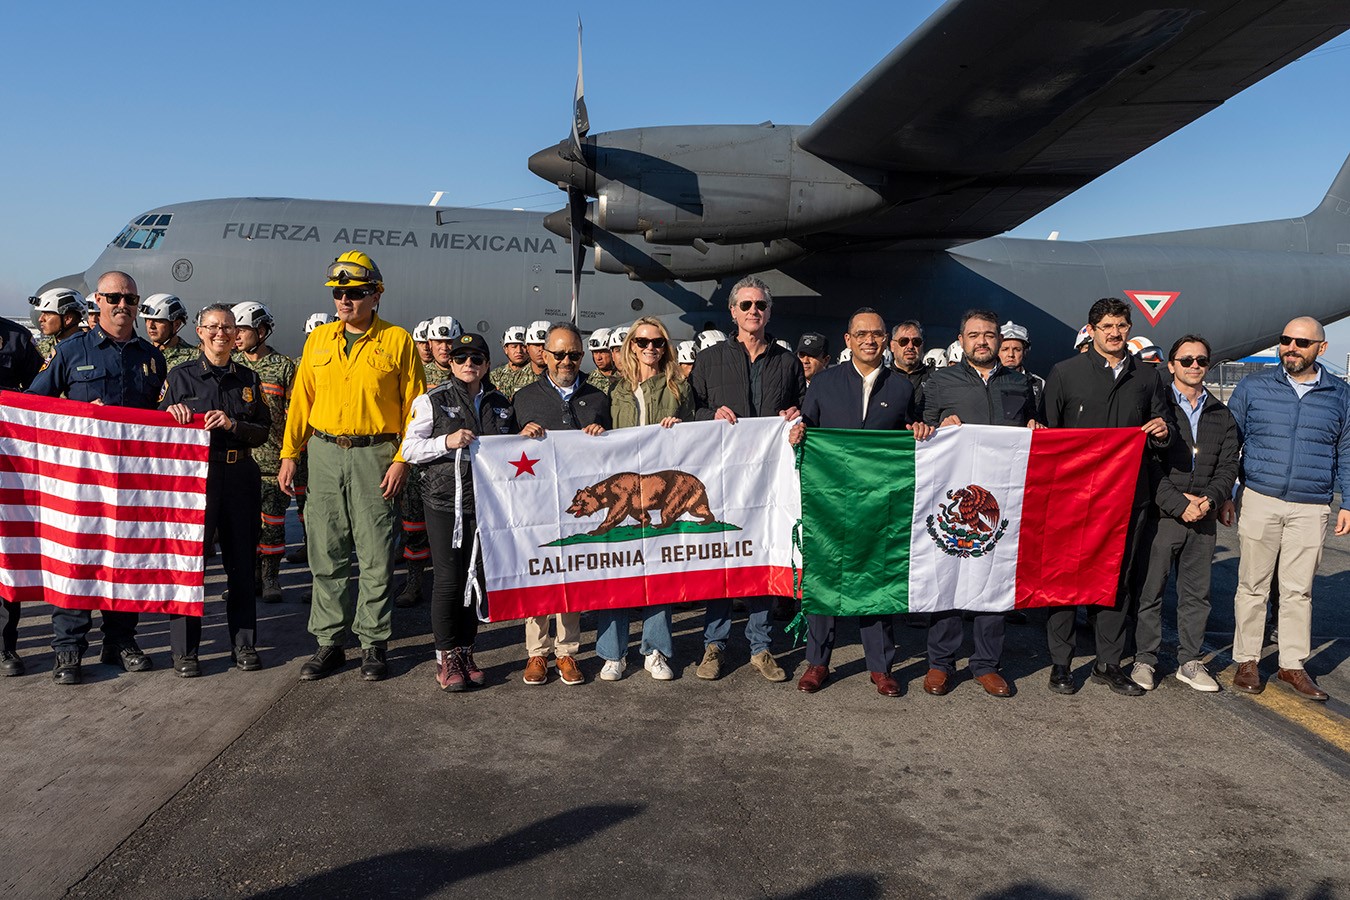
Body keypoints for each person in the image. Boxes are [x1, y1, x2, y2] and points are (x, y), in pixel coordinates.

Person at [278, 250, 425, 683]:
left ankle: (373, 643)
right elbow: (300, 401)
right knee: (326, 549)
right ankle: (329, 642)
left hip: (375, 454)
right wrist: (290, 453)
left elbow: (416, 408)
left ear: (376, 295)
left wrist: (402, 460)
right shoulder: (318, 340)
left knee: (377, 551)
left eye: (356, 293)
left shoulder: (396, 340)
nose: (345, 301)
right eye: (339, 293)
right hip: (323, 453)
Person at [28, 271, 166, 684]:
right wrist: (82, 415)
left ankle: (120, 641)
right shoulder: (71, 351)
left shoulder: (151, 357)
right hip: (82, 481)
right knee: (77, 560)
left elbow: (160, 419)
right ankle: (68, 649)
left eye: (130, 299)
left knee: (124, 561)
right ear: (97, 303)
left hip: (131, 482)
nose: (122, 305)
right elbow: (35, 405)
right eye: (113, 298)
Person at [791, 308, 933, 697]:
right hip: (829, 501)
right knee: (823, 580)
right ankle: (817, 662)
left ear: (885, 340)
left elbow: (911, 433)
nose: (870, 340)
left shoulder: (902, 388)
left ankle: (881, 667)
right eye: (862, 334)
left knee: (877, 579)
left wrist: (918, 430)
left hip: (880, 505)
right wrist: (797, 432)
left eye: (877, 334)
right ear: (848, 340)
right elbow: (806, 427)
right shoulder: (823, 383)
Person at [1041, 297, 1172, 697]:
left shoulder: (1148, 378)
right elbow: (1049, 433)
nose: (1115, 334)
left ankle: (1108, 663)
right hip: (1073, 498)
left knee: (1117, 578)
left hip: (1129, 497)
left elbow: (1162, 430)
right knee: (1064, 577)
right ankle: (1061, 664)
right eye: (1107, 327)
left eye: (1121, 326)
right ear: (1092, 330)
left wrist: (1163, 434)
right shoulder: (1064, 373)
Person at [1228, 316, 1350, 701]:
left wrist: (1349, 501)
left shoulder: (1340, 394)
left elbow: (1346, 451)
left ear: (1321, 349)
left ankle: (1292, 665)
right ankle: (1247, 659)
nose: (1291, 348)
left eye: (1301, 342)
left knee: (1299, 590)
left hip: (1311, 505)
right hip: (1260, 498)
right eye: (1285, 340)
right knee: (1252, 585)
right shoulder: (1253, 386)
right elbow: (1230, 442)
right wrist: (1226, 493)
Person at [689, 274, 804, 683]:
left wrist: (795, 417)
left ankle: (760, 646)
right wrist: (710, 415)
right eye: (746, 305)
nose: (753, 311)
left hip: (768, 481)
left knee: (760, 555)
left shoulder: (787, 362)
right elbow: (691, 411)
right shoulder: (709, 359)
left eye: (760, 305)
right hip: (722, 479)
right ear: (732, 312)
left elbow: (800, 407)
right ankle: (714, 645)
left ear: (769, 312)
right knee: (722, 559)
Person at [920, 309, 1040, 698]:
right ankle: (940, 663)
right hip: (954, 497)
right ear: (962, 339)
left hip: (1002, 498)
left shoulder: (1021, 383)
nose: (983, 342)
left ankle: (986, 664)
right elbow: (922, 430)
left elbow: (1032, 428)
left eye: (989, 335)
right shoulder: (940, 381)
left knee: (994, 578)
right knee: (948, 577)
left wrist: (1035, 431)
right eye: (974, 335)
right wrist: (936, 428)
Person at [401, 332, 515, 691]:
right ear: (450, 362)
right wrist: (445, 441)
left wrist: (527, 435)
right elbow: (409, 448)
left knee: (475, 578)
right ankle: (445, 657)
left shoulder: (500, 403)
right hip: (444, 500)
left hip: (486, 504)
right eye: (461, 358)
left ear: (487, 365)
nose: (469, 364)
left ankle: (466, 651)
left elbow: (510, 448)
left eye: (476, 359)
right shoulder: (432, 400)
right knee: (450, 580)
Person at [162, 304, 271, 676]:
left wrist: (233, 424)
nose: (220, 333)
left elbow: (263, 431)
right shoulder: (181, 378)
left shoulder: (248, 378)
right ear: (199, 331)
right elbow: (157, 431)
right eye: (212, 327)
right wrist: (170, 416)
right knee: (190, 566)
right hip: (196, 481)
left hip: (239, 476)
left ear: (235, 333)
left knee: (241, 566)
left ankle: (243, 646)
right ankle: (185, 652)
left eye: (227, 327)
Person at [1132, 335, 1239, 693]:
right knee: (1152, 590)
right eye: (1187, 360)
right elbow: (1149, 465)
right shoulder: (1157, 408)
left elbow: (1228, 466)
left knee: (1197, 594)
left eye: (1202, 361)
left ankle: (1189, 662)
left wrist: (1208, 500)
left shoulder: (1221, 414)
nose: (1195, 366)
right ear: (1172, 365)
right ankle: (1145, 659)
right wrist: (1180, 503)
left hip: (1204, 516)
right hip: (1166, 516)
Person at [512, 322, 611, 686]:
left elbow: (613, 456)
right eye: (559, 354)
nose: (566, 360)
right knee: (540, 571)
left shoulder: (600, 399)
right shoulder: (524, 398)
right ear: (544, 354)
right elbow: (504, 450)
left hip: (579, 506)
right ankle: (536, 652)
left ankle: (567, 651)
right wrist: (519, 437)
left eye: (573, 354)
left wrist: (602, 437)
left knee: (570, 572)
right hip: (537, 502)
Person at [594, 317, 692, 682]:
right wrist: (594, 431)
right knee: (618, 571)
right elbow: (602, 437)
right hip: (625, 494)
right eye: (643, 342)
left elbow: (697, 436)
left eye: (658, 343)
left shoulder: (679, 387)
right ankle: (612, 653)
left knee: (658, 572)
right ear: (631, 346)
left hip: (659, 491)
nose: (651, 348)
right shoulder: (614, 391)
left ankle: (655, 650)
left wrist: (682, 428)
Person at [231, 301, 296, 604]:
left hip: (272, 462)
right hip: (239, 460)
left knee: (272, 523)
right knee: (242, 525)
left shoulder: (283, 367)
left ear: (260, 330)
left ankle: (271, 577)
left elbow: (296, 414)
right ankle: (247, 578)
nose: (237, 335)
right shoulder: (231, 366)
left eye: (242, 329)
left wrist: (291, 456)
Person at [396, 316, 462, 608]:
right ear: (429, 344)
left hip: (454, 470)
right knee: (414, 528)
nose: (445, 348)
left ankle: (455, 587)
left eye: (450, 341)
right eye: (439, 342)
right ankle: (413, 583)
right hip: (418, 465)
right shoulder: (415, 374)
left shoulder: (469, 374)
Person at [0, 313, 44, 676]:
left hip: (6, 467)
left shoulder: (14, 338)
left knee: (4, 557)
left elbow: (40, 397)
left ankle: (4, 646)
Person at [139, 293, 198, 373]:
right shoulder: (139, 354)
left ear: (176, 324)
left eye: (158, 321)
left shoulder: (195, 358)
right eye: (147, 320)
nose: (151, 326)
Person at [889, 320, 936, 413]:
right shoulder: (881, 377)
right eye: (903, 341)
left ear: (922, 346)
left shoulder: (935, 378)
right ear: (892, 346)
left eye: (916, 341)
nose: (910, 346)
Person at [998, 321, 1045, 409]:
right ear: (997, 352)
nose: (1011, 354)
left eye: (1017, 349)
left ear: (1025, 352)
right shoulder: (986, 381)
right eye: (1005, 349)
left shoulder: (1038, 383)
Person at [29, 288, 85, 360]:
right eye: (42, 313)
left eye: (48, 314)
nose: (41, 319)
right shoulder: (42, 349)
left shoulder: (89, 348)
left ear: (68, 319)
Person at [488, 325, 531, 399]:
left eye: (523, 346)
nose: (519, 351)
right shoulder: (495, 375)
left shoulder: (537, 374)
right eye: (514, 346)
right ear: (506, 349)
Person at [586, 327, 620, 392]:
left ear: (612, 352)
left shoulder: (625, 377)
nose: (598, 358)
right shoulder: (587, 380)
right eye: (595, 352)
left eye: (602, 352)